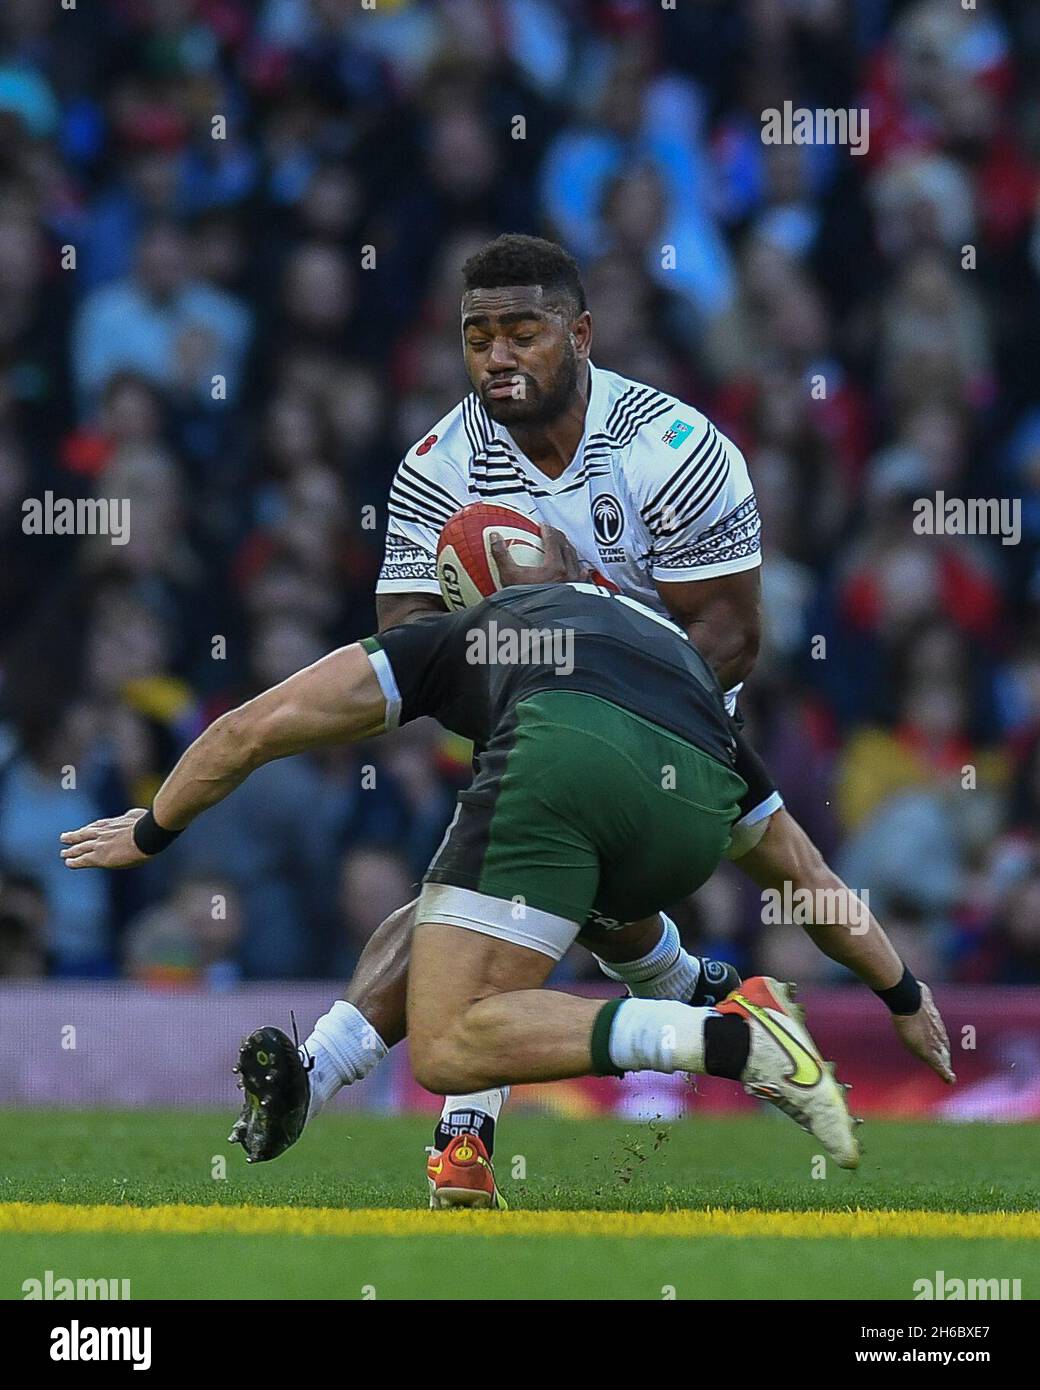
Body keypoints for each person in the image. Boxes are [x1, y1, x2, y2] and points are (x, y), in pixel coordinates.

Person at [306, 232, 951, 1202]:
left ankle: (694, 1013)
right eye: (477, 335)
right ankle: (479, 1129)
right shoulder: (436, 464)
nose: (498, 357)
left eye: (522, 332)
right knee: (523, 911)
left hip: (683, 737)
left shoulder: (672, 449)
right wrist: (532, 671)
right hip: (549, 739)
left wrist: (599, 676)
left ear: (582, 333)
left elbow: (730, 635)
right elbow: (408, 638)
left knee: (498, 918)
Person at [62, 583, 953, 1197]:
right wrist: (903, 994)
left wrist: (151, 829)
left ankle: (727, 1038)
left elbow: (251, 729)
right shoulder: (667, 656)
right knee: (485, 909)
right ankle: (441, 1111)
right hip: (688, 812)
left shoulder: (462, 632)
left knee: (451, 1035)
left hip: (561, 766)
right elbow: (811, 879)